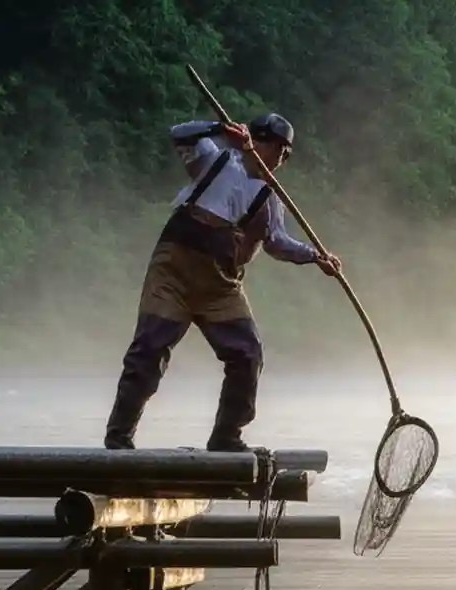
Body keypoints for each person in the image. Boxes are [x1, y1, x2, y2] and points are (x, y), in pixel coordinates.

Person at [103, 113, 341, 452]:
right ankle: (119, 439)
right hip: (174, 273)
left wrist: (316, 257)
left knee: (247, 354)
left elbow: (277, 242)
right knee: (149, 351)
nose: (281, 159)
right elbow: (178, 134)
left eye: (287, 154)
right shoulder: (214, 159)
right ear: (256, 140)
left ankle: (227, 437)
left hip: (221, 285)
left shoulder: (269, 197)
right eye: (278, 148)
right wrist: (220, 130)